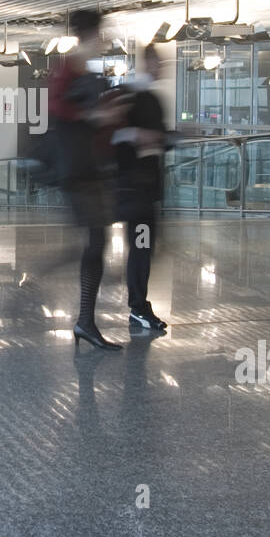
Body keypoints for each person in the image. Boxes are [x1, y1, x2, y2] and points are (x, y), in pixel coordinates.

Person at [48, 9, 127, 351]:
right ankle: (83, 320)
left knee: (97, 241)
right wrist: (95, 114)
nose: (104, 40)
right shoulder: (69, 69)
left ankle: (85, 321)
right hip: (78, 171)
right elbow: (59, 110)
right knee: (95, 242)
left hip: (90, 169)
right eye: (101, 33)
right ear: (90, 34)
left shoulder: (81, 70)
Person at [112, 42, 171, 332]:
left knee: (144, 248)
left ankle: (139, 303)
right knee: (141, 247)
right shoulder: (131, 96)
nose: (161, 68)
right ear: (147, 63)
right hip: (135, 193)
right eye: (158, 63)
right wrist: (139, 135)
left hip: (146, 193)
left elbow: (160, 139)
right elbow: (116, 135)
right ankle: (137, 305)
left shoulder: (153, 100)